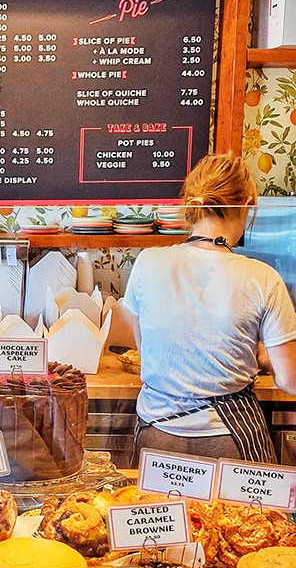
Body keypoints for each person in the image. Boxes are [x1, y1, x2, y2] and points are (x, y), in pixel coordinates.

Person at [123, 153, 296, 464]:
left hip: (158, 435)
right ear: (246, 204)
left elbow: (151, 348)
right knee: (242, 516)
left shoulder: (148, 262)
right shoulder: (262, 277)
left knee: (163, 515)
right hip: (230, 439)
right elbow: (289, 380)